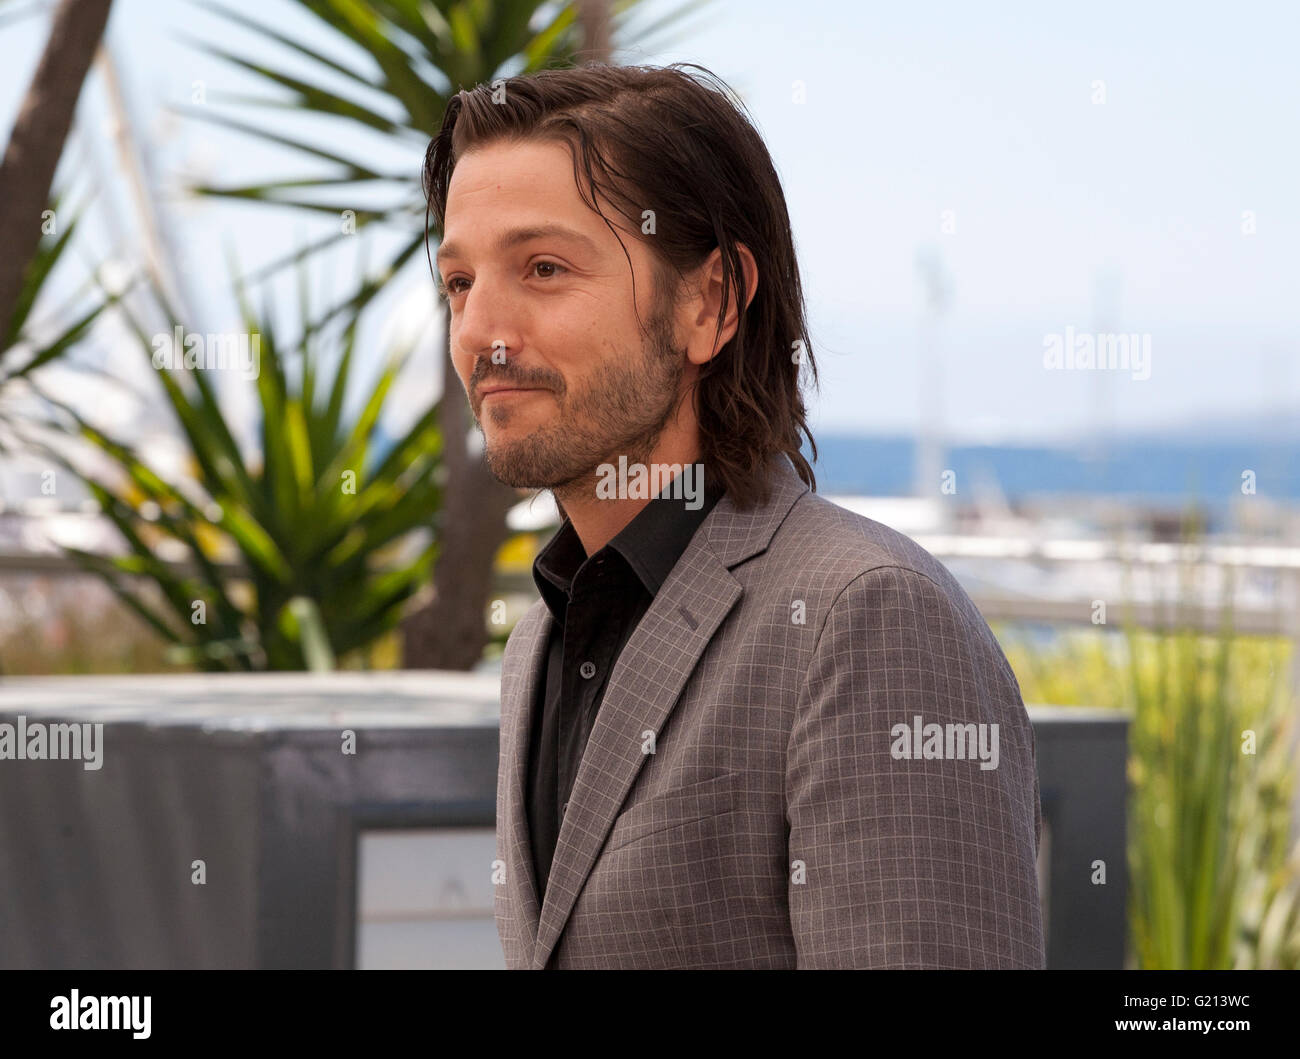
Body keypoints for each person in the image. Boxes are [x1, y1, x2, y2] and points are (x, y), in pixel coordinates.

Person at [423, 62, 1045, 969]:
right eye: (460, 283)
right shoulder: (539, 646)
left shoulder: (868, 616)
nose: (483, 331)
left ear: (708, 302)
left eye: (544, 268)